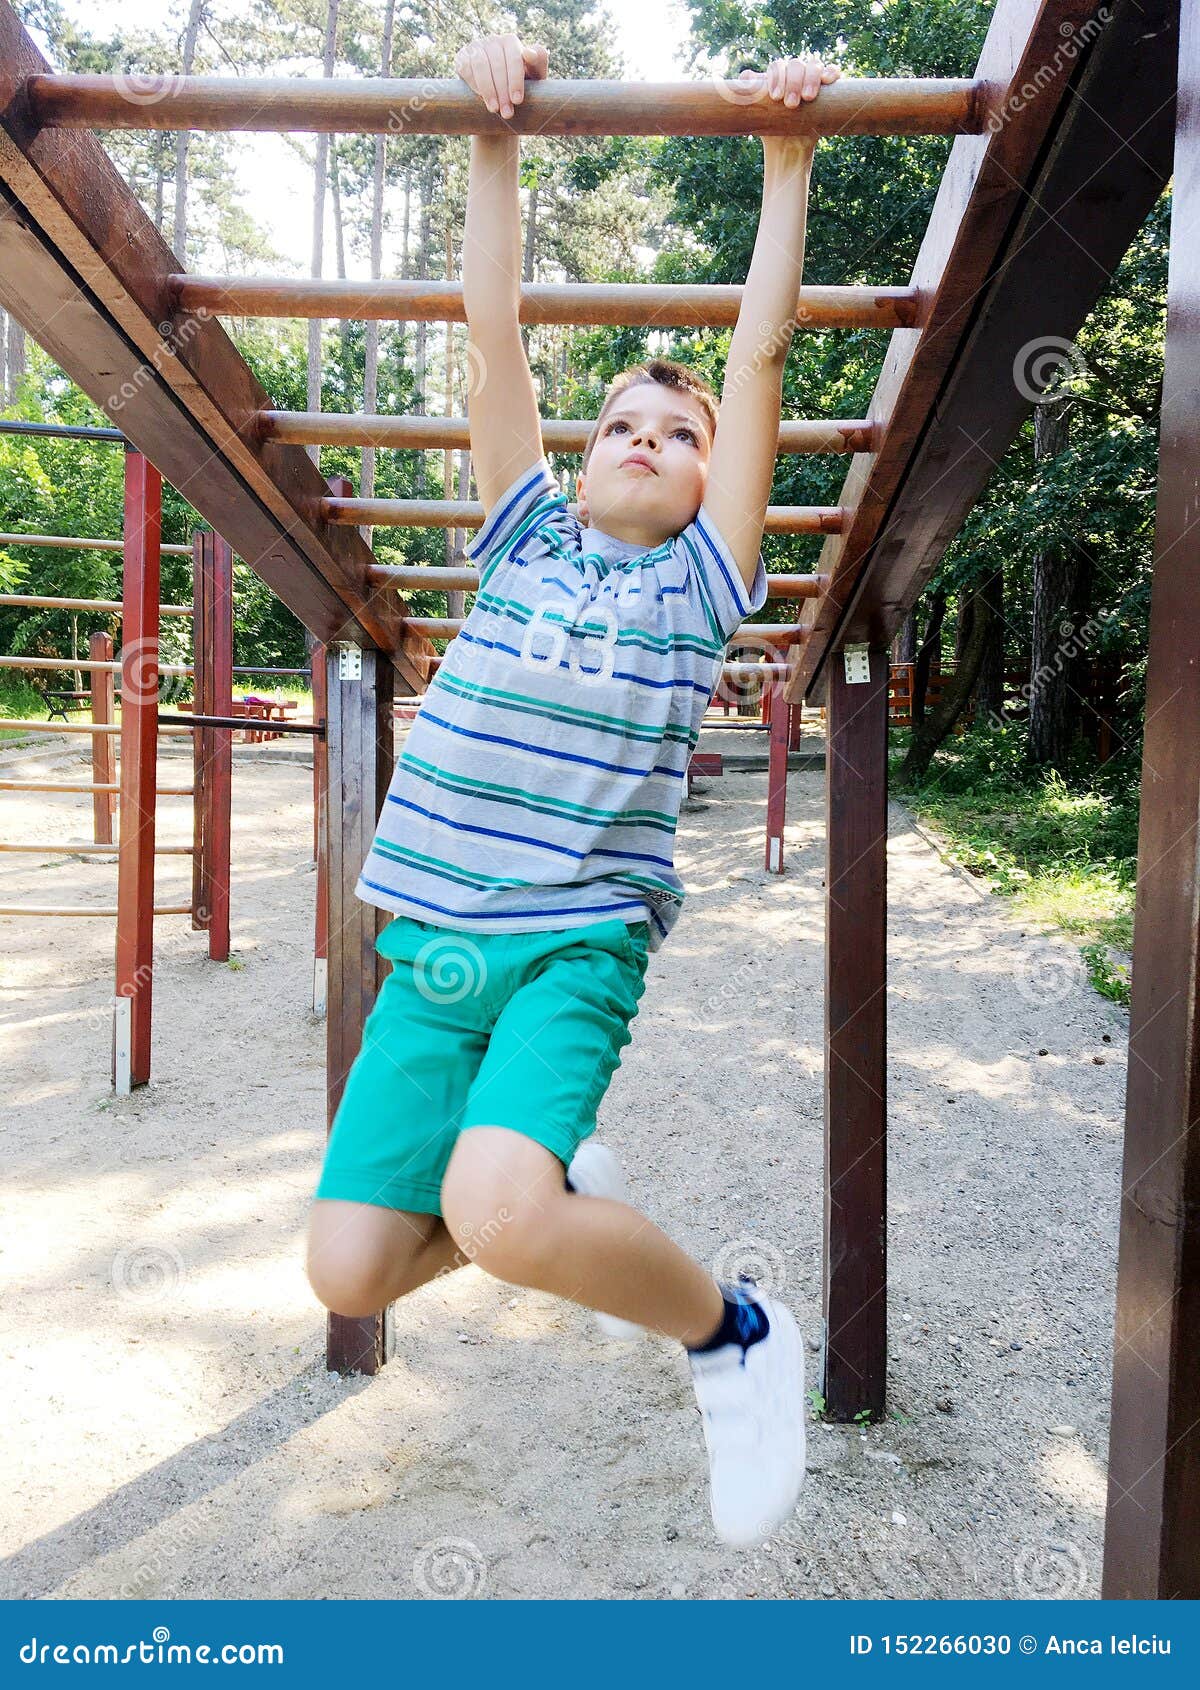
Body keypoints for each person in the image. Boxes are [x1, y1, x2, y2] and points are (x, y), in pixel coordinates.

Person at [307, 32, 840, 1549]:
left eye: (680, 436)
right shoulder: (527, 541)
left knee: (496, 1213)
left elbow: (759, 357)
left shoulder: (700, 584)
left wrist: (786, 163)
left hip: (570, 943)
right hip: (431, 946)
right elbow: (494, 332)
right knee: (348, 1268)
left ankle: (734, 1330)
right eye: (620, 424)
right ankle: (551, 1190)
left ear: (710, 481)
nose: (646, 441)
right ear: (579, 455)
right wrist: (495, 131)